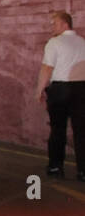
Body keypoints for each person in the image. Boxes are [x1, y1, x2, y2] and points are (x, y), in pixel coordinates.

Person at [33, 10, 85, 179]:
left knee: (57, 129)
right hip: (82, 90)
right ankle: (83, 171)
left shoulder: (54, 43)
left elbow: (47, 68)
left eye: (54, 23)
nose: (51, 26)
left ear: (65, 24)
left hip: (60, 90)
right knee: (81, 131)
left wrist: (39, 89)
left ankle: (56, 167)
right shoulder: (83, 42)